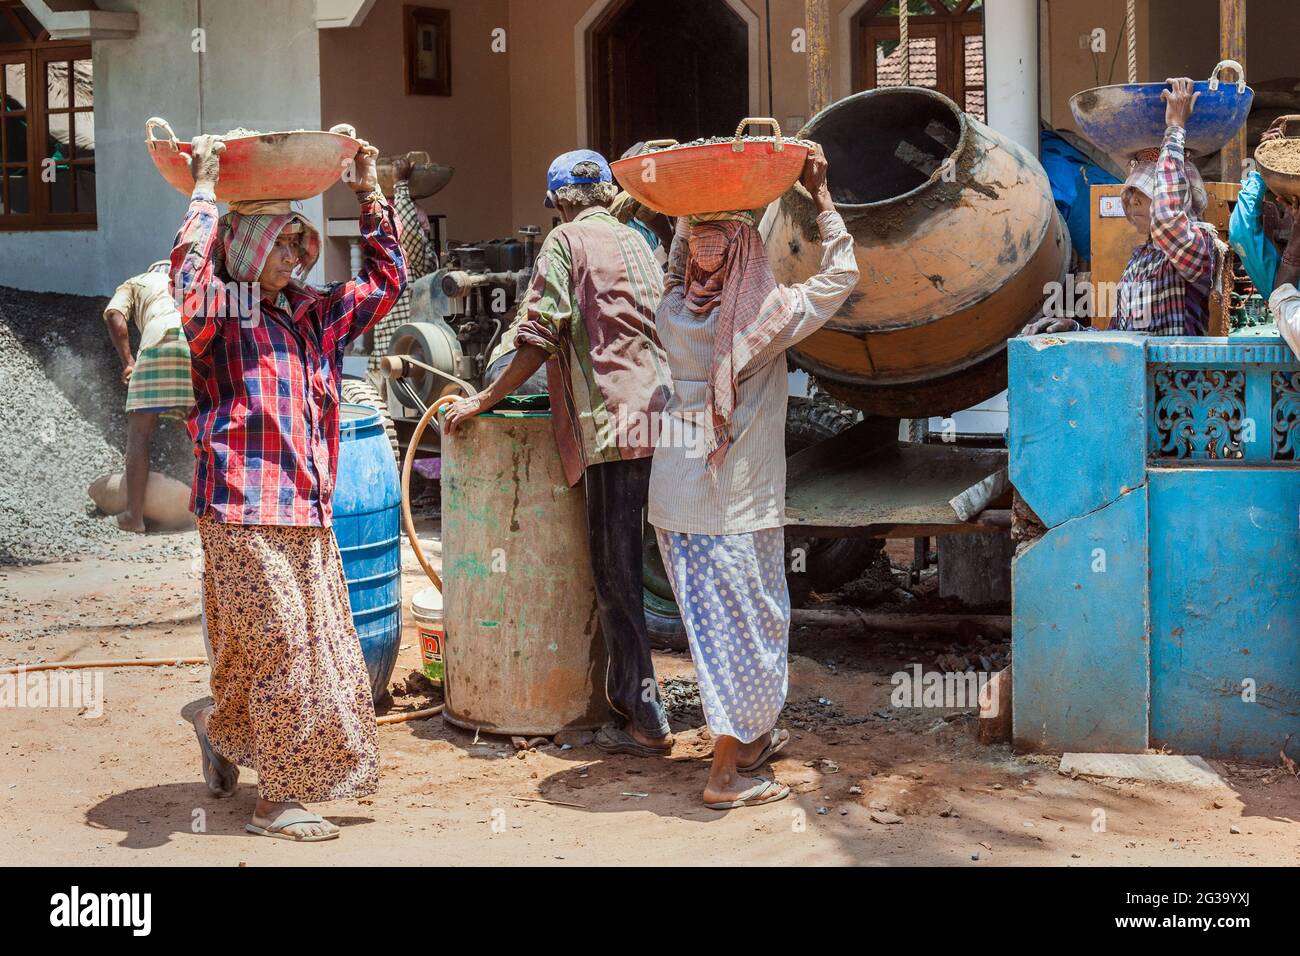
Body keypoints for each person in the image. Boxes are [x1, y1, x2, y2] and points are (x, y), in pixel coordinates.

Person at [174, 133, 406, 842]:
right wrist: (205, 193)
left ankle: (221, 733)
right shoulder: (223, 312)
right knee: (281, 643)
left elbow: (386, 283)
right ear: (246, 250)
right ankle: (277, 800)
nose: (296, 258)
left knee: (266, 649)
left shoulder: (311, 313)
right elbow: (186, 286)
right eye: (281, 246)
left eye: (298, 247)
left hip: (304, 505)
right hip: (239, 506)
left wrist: (369, 192)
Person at [443, 149, 675, 757]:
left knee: (617, 573)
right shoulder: (641, 241)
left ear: (560, 202)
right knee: (676, 570)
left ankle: (644, 715)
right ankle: (687, 702)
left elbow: (538, 334)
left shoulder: (565, 243)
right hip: (671, 420)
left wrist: (484, 399)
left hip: (616, 429)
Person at [650, 143, 858, 809]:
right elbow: (843, 273)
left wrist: (690, 213)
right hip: (731, 507)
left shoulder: (671, 311)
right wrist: (821, 200)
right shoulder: (766, 320)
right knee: (746, 629)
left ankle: (754, 740)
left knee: (717, 630)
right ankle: (724, 777)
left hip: (673, 501)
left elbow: (673, 267)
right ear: (748, 254)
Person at [1024, 78, 1219, 336]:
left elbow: (1167, 220)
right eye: (1131, 192)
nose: (1133, 200)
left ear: (1178, 196)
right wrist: (1074, 330)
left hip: (1174, 376)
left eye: (1146, 191)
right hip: (1139, 376)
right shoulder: (1139, 260)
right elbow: (1118, 338)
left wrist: (1175, 127)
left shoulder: (1199, 245)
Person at [101, 260, 194, 532]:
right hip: (197, 344)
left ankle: (134, 516)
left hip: (157, 342)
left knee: (139, 434)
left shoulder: (136, 282)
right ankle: (210, 513)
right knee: (200, 432)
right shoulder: (190, 281)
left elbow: (113, 314)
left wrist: (128, 361)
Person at [367, 155, 438, 367]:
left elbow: (409, 231)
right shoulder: (392, 261)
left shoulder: (417, 260)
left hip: (410, 357)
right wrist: (401, 184)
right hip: (394, 357)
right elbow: (407, 229)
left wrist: (401, 186)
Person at [1229, 116, 1295, 296]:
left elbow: (1241, 233)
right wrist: (1264, 164)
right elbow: (1241, 234)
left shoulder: (1282, 286)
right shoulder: (1284, 283)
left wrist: (1260, 172)